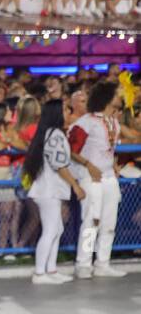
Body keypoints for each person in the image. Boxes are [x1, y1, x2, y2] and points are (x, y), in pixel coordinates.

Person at [69, 81, 126, 278]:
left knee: (109, 222)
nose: (121, 96)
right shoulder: (85, 122)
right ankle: (83, 264)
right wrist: (88, 165)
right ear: (108, 98)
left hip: (109, 177)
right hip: (90, 178)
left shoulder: (114, 122)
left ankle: (103, 263)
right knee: (91, 222)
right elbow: (70, 149)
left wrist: (114, 165)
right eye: (117, 93)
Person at [23, 117, 85, 285]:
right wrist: (75, 185)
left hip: (51, 189)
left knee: (57, 229)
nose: (68, 114)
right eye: (65, 110)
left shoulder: (51, 134)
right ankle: (39, 273)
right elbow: (59, 165)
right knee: (50, 230)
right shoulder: (54, 135)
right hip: (48, 190)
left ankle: (50, 269)